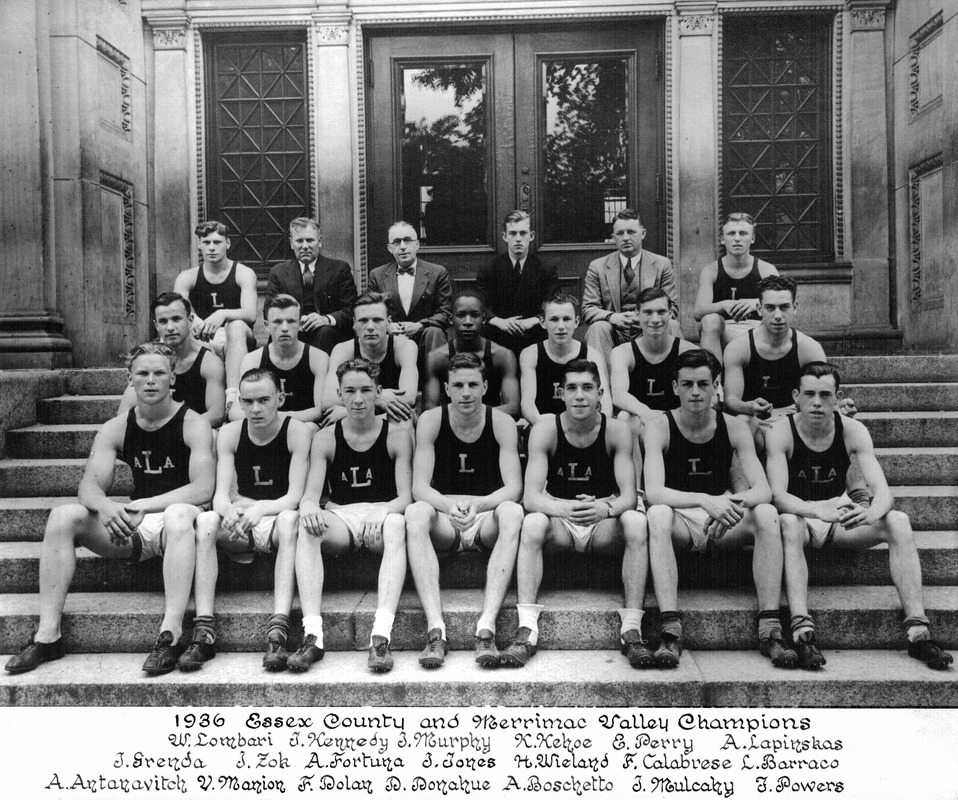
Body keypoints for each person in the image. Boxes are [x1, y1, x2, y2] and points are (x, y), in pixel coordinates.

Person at [5, 343, 214, 676]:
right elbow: (88, 486)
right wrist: (104, 506)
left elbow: (203, 488)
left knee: (177, 514)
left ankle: (171, 635)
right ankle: (48, 635)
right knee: (63, 516)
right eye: (142, 373)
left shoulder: (193, 422)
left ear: (172, 377)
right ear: (129, 379)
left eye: (159, 373)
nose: (150, 381)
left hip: (184, 519)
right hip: (140, 525)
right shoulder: (116, 427)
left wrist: (143, 504)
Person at [765, 362, 953, 670]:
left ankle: (918, 631)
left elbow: (883, 491)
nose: (816, 402)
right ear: (796, 396)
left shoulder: (852, 430)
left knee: (898, 521)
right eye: (809, 394)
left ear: (837, 397)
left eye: (825, 395)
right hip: (802, 516)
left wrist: (870, 514)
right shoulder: (781, 431)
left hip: (839, 518)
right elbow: (778, 495)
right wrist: (815, 509)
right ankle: (802, 632)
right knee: (785, 520)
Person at [643, 349, 797, 670]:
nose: (696, 392)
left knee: (767, 514)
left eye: (703, 383)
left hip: (723, 518)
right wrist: (703, 499)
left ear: (717, 386)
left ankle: (770, 628)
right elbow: (654, 492)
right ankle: (670, 628)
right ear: (674, 388)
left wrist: (730, 505)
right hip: (680, 518)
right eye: (687, 384)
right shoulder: (659, 426)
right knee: (656, 515)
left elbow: (763, 489)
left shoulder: (735, 427)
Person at [502, 360, 649, 669]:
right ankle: (526, 628)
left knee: (636, 521)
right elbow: (530, 497)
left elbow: (627, 496)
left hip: (603, 523)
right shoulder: (546, 429)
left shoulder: (617, 430)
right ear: (561, 393)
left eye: (586, 388)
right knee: (532, 523)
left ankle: (632, 629)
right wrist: (565, 508)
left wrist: (604, 509)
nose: (579, 396)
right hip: (561, 521)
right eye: (571, 388)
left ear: (600, 393)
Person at [180, 368, 311, 672]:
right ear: (239, 401)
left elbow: (294, 496)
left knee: (292, 520)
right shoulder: (229, 432)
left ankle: (278, 630)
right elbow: (220, 494)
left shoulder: (296, 431)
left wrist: (261, 509)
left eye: (264, 400)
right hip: (243, 520)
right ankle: (204, 630)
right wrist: (228, 510)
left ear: (279, 398)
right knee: (207, 521)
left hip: (277, 517)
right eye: (248, 401)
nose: (255, 409)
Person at [292, 359, 413, 673]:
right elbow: (310, 494)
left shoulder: (396, 434)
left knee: (398, 523)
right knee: (307, 528)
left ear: (378, 392)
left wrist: (384, 509)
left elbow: (406, 496)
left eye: (365, 391)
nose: (358, 399)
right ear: (339, 395)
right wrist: (307, 506)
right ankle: (313, 635)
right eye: (350, 391)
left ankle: (381, 634)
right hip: (343, 517)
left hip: (382, 518)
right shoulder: (327, 437)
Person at [405, 353, 525, 669]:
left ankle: (486, 627)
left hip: (485, 517)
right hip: (446, 518)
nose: (466, 392)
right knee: (416, 512)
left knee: (512, 511)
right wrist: (447, 506)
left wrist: (480, 504)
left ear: (486, 386)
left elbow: (514, 487)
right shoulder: (431, 421)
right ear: (446, 388)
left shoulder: (502, 422)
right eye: (458, 385)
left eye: (473, 384)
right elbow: (420, 487)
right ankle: (436, 630)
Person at [723, 275, 857, 452]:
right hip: (755, 421)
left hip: (795, 420)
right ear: (759, 309)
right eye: (770, 308)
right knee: (742, 422)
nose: (778, 316)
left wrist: (837, 406)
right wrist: (749, 406)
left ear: (794, 308)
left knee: (841, 419)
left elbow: (819, 393)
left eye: (784, 307)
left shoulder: (809, 348)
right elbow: (731, 400)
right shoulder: (739, 348)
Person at [610, 287, 699, 480]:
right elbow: (619, 394)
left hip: (676, 425)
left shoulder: (687, 350)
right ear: (637, 314)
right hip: (641, 424)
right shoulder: (623, 352)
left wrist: (664, 420)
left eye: (661, 312)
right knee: (626, 418)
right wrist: (647, 414)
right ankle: (635, 494)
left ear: (671, 314)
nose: (655, 319)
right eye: (648, 312)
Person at [173, 221, 258, 412]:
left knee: (235, 326)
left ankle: (233, 398)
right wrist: (196, 321)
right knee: (175, 330)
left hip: (237, 338)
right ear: (199, 245)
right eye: (206, 242)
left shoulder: (243, 273)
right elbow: (176, 311)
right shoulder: (188, 276)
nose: (211, 247)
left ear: (228, 243)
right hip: (203, 335)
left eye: (217, 242)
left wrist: (222, 314)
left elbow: (251, 315)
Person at [582, 209, 681, 369]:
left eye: (631, 232)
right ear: (613, 238)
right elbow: (588, 309)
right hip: (614, 333)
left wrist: (646, 317)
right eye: (620, 233)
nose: (626, 238)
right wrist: (612, 318)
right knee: (597, 327)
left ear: (643, 233)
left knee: (672, 325)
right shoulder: (598, 266)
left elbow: (673, 308)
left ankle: (672, 383)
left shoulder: (661, 264)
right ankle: (604, 388)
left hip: (649, 328)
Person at [117, 293, 226, 428]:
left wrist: (174, 429)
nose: (170, 327)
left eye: (176, 319)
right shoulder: (149, 360)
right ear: (156, 326)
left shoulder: (209, 363)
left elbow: (216, 414)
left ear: (190, 320)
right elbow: (124, 412)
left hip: (193, 433)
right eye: (163, 321)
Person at [322, 292, 419, 428]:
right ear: (354, 324)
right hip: (363, 412)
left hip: (388, 415)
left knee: (402, 420)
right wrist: (379, 398)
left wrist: (348, 411)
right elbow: (327, 400)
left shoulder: (404, 347)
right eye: (363, 320)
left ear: (389, 322)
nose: (370, 327)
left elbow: (408, 397)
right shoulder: (343, 349)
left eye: (377, 320)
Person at [693, 212, 779, 365]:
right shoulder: (710, 271)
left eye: (743, 233)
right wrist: (724, 304)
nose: (737, 238)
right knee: (710, 320)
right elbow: (699, 312)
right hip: (725, 332)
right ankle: (715, 383)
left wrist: (756, 303)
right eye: (731, 233)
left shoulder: (767, 270)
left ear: (752, 238)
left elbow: (781, 304)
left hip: (757, 331)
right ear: (722, 239)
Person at [265, 217, 358, 354]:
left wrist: (325, 319)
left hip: (329, 335)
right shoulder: (278, 272)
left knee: (324, 333)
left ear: (319, 241)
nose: (305, 246)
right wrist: (293, 320)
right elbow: (268, 310)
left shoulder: (339, 269)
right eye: (299, 241)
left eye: (310, 240)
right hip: (291, 330)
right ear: (291, 243)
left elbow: (351, 309)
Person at [233, 295, 327, 428]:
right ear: (266, 325)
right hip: (264, 427)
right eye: (277, 321)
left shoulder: (318, 357)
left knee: (310, 428)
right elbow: (235, 412)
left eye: (291, 321)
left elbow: (319, 411)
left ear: (300, 324)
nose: (284, 328)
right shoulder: (253, 359)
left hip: (301, 427)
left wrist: (275, 417)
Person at [519, 293, 612, 427]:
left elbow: (605, 401)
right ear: (542, 322)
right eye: (554, 319)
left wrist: (599, 426)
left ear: (576, 322)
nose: (561, 326)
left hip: (583, 425)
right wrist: (539, 422)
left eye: (567, 319)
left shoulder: (592, 355)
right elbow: (527, 403)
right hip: (545, 425)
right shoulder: (531, 354)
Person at [424, 291, 520, 418]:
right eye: (461, 315)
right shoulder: (437, 358)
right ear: (451, 319)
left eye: (475, 315)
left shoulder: (502, 356)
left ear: (484, 319)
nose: (468, 322)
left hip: (490, 426)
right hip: (451, 427)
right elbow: (429, 409)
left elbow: (513, 408)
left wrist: (469, 415)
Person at [476, 210, 559, 354]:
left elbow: (553, 303)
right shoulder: (489, 268)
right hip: (499, 334)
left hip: (535, 333)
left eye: (523, 233)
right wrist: (499, 321)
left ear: (531, 236)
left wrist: (533, 320)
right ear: (505, 236)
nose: (518, 239)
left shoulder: (546, 269)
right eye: (513, 233)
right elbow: (479, 303)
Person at [367, 220, 452, 356]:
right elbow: (370, 310)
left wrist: (420, 325)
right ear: (390, 248)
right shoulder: (377, 275)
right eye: (396, 242)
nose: (402, 247)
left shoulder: (437, 273)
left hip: (425, 336)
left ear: (417, 245)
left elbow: (446, 312)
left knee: (434, 332)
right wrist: (387, 326)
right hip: (391, 336)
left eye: (407, 241)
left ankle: (435, 376)